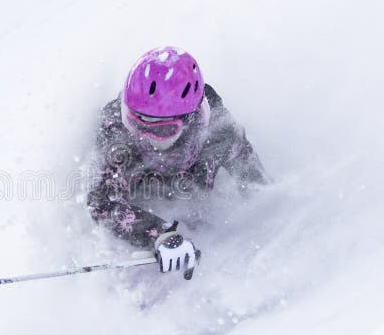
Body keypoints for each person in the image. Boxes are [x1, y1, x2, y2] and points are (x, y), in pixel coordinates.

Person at [87, 46, 269, 278]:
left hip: (196, 210)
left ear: (190, 120)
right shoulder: (117, 134)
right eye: (135, 122)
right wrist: (158, 234)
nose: (143, 136)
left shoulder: (220, 134)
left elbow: (257, 186)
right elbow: (101, 201)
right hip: (141, 208)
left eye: (161, 129)